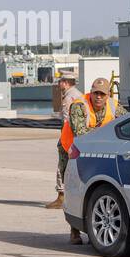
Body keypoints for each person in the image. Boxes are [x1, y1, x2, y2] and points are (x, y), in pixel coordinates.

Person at [60, 78, 116, 242]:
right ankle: (74, 230)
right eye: (95, 93)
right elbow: (80, 133)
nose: (98, 97)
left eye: (102, 94)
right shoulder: (79, 105)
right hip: (71, 150)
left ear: (108, 95)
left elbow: (127, 122)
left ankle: (93, 229)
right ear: (91, 92)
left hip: (97, 152)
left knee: (94, 189)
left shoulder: (113, 106)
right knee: (74, 189)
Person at [44, 74, 81, 210]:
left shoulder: (68, 97)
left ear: (65, 83)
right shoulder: (79, 94)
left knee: (62, 166)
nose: (59, 84)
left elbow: (67, 120)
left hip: (68, 137)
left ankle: (61, 197)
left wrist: (63, 139)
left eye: (60, 81)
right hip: (78, 137)